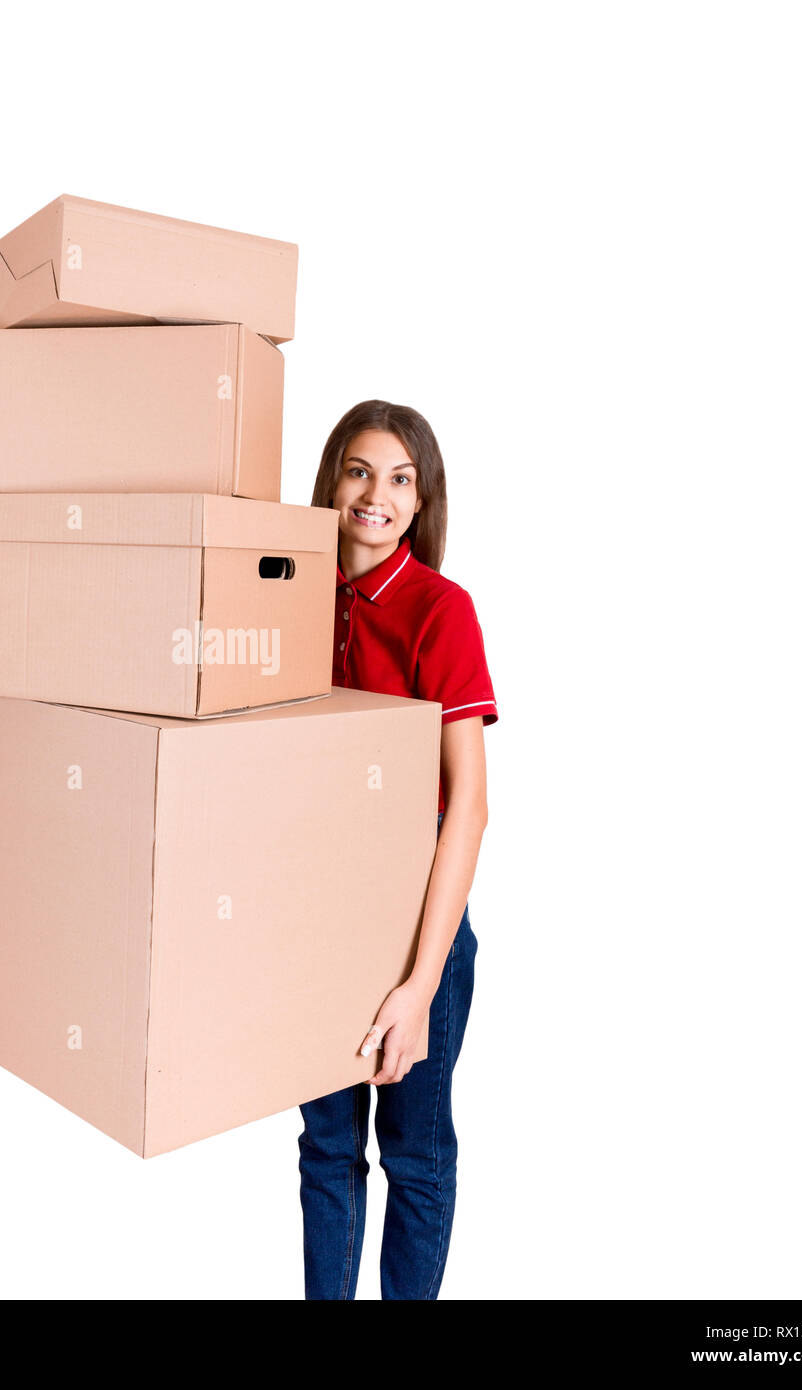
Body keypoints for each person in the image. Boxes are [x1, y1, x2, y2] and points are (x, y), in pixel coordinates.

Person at [297, 399, 498, 1300]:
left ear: (423, 502)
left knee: (414, 1158)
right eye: (359, 470)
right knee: (326, 1151)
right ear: (333, 482)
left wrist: (418, 986)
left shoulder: (440, 611)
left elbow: (471, 809)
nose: (376, 495)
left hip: (419, 936)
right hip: (316, 927)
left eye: (400, 479)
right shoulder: (287, 595)